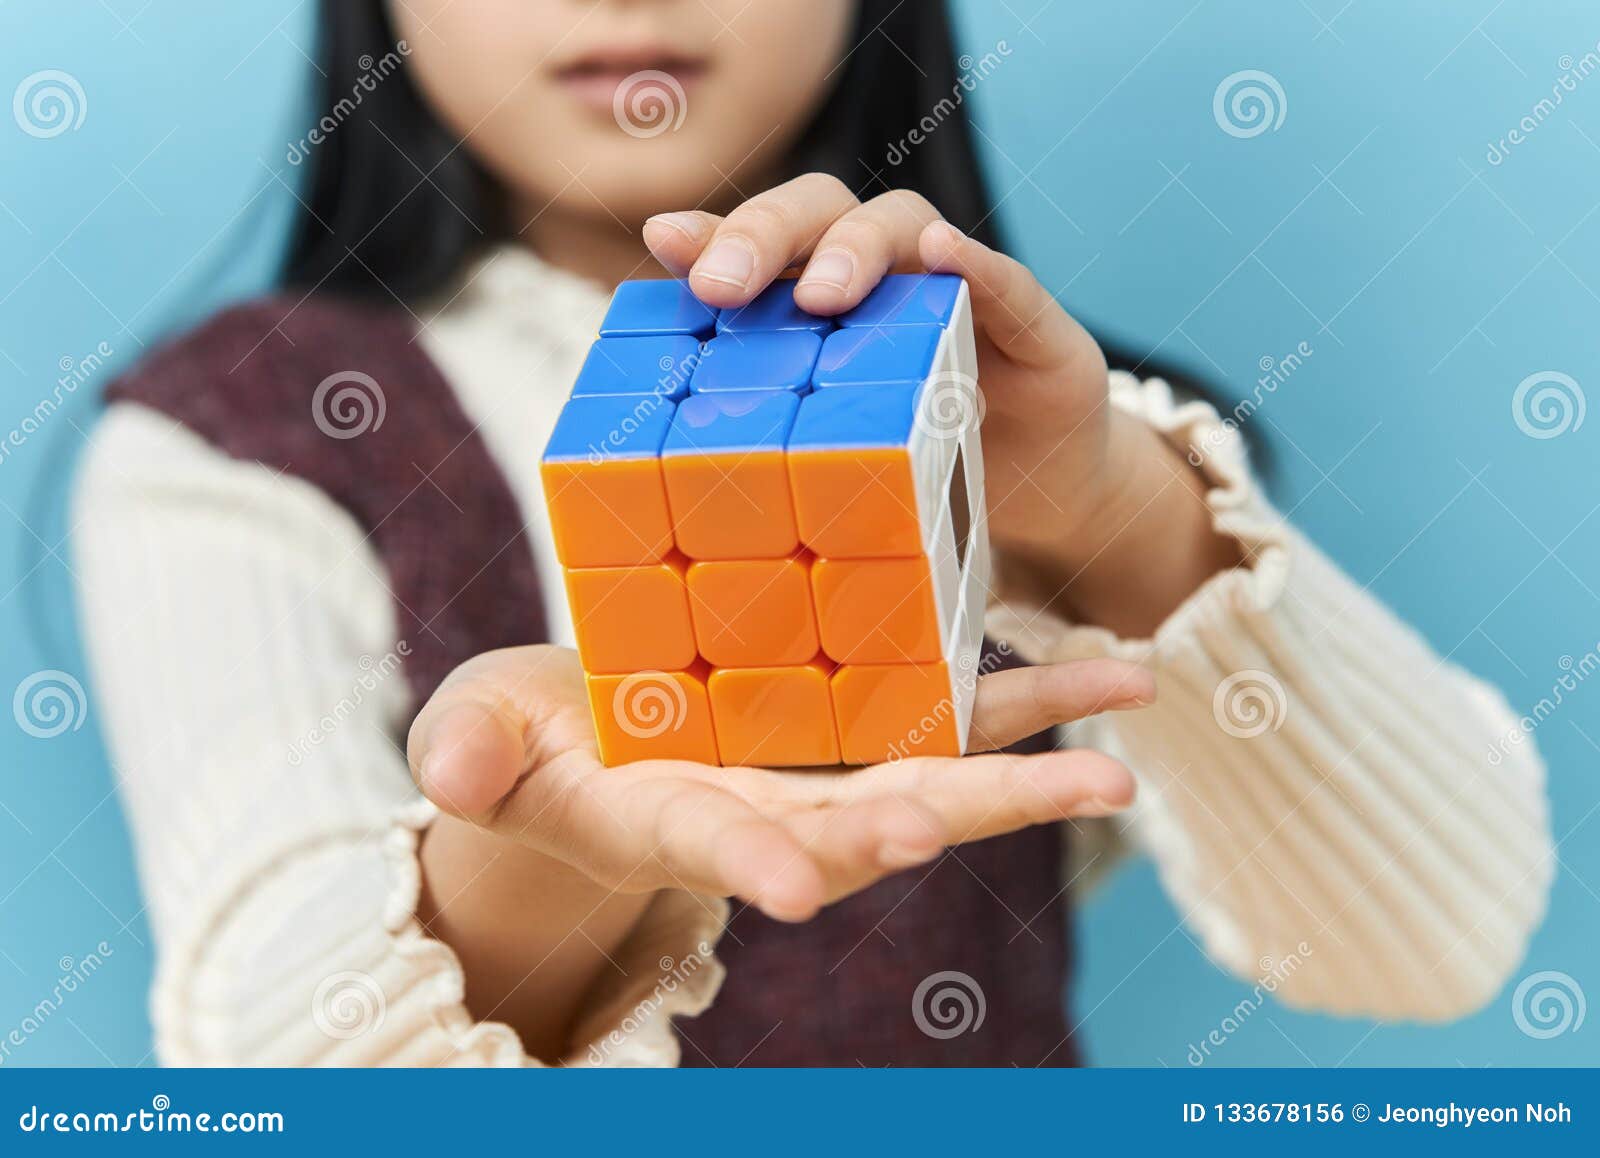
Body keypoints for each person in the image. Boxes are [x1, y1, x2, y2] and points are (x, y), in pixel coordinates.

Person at [74, 0, 1551, 1066]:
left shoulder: (1052, 421)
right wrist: (544, 867)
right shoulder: (238, 438)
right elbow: (268, 1062)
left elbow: (1431, 941)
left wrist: (1119, 527)